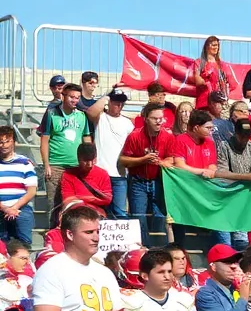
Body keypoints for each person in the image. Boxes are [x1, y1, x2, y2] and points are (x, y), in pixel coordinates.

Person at [119, 103, 175, 239]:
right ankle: (144, 246)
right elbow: (123, 160)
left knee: (160, 216)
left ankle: (160, 245)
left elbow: (172, 159)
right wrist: (143, 160)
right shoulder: (134, 136)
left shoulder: (168, 136)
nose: (159, 122)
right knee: (139, 218)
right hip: (138, 181)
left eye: (161, 118)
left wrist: (160, 162)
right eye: (155, 118)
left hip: (159, 180)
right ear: (146, 119)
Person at [39, 83, 92, 221]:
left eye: (77, 98)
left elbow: (86, 138)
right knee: (54, 205)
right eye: (71, 97)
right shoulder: (52, 114)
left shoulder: (82, 116)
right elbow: (44, 140)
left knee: (75, 204)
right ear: (63, 96)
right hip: (56, 165)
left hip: (76, 166)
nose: (75, 100)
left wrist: (90, 158)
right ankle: (54, 231)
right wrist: (46, 164)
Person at [212, 118, 251, 250]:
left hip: (244, 201)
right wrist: (247, 177)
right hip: (226, 200)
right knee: (225, 243)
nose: (244, 139)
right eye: (242, 136)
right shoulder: (224, 146)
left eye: (247, 136)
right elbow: (221, 174)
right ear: (235, 133)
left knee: (241, 243)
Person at [90, 91, 134, 220]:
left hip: (120, 175)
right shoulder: (101, 118)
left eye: (121, 102)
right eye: (115, 102)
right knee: (100, 211)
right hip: (101, 173)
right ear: (109, 102)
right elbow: (91, 112)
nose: (119, 105)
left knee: (120, 212)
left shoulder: (128, 123)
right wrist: (106, 96)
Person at [0, 126, 39, 246]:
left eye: (7, 141)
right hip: (1, 208)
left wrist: (14, 207)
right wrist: (5, 209)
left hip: (21, 207)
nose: (4, 145)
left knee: (23, 243)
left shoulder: (25, 163)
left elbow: (31, 191)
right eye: (1, 142)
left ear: (14, 142)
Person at [58, 143, 113, 216]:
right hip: (76, 213)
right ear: (78, 159)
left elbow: (107, 199)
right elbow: (68, 200)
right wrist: (93, 199)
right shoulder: (68, 174)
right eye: (85, 161)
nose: (89, 164)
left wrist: (80, 198)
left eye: (92, 160)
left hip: (97, 213)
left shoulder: (103, 174)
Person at [187, 36, 233, 111]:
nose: (216, 47)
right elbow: (197, 80)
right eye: (214, 45)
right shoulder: (199, 62)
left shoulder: (221, 65)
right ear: (207, 47)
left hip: (218, 102)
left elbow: (226, 83)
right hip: (204, 102)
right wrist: (206, 81)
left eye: (217, 45)